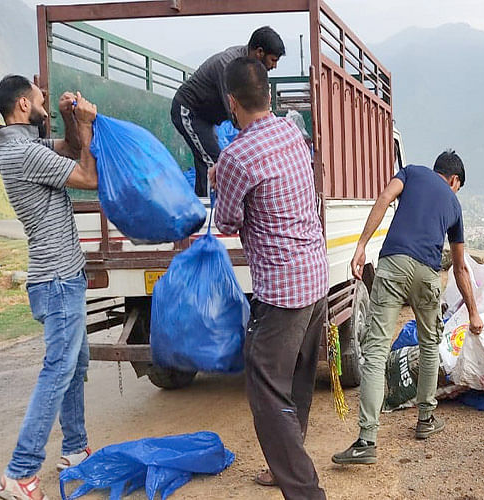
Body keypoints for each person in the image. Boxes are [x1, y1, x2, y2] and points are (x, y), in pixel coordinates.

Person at [211, 58, 327, 500]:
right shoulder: (291, 132)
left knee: (265, 390)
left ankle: (305, 491)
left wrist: (219, 181)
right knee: (296, 383)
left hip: (282, 292)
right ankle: (287, 471)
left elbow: (225, 220)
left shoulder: (236, 155)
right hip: (314, 281)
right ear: (270, 95)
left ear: (232, 102)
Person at [332, 150, 483, 464]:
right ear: (455, 180)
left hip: (393, 264)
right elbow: (460, 267)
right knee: (430, 344)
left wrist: (361, 246)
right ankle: (426, 419)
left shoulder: (412, 172)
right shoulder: (454, 204)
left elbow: (385, 198)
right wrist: (473, 312)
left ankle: (367, 440)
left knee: (375, 350)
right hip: (427, 273)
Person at [0, 75, 98, 500]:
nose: (43, 98)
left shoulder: (24, 146)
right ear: (23, 105)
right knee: (59, 369)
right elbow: (87, 176)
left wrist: (64, 116)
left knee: (75, 364)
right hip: (56, 280)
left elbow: (70, 151)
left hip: (60, 276)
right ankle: (20, 474)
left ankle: (75, 449)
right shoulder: (23, 152)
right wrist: (88, 125)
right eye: (39, 98)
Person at [172, 26, 285, 198]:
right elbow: (238, 116)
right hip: (189, 111)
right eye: (273, 60)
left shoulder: (254, 68)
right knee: (212, 163)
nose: (274, 66)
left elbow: (256, 109)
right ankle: (210, 213)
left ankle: (202, 204)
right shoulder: (229, 66)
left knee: (208, 159)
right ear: (259, 52)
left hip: (208, 118)